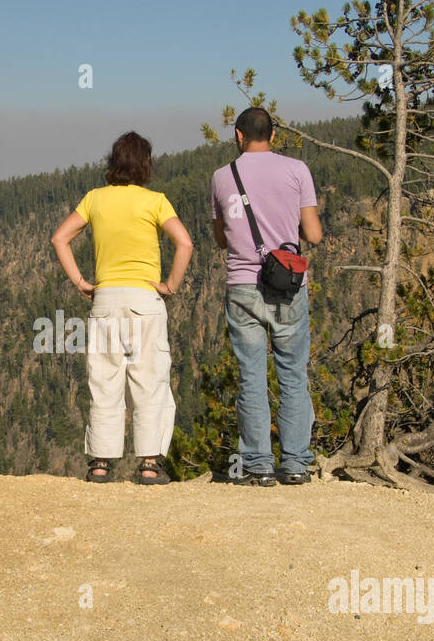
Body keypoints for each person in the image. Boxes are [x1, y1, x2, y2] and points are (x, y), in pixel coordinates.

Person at [51, 131, 193, 484]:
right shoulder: (155, 201)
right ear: (146, 165)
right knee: (150, 381)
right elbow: (185, 242)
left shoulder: (94, 200)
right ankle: (149, 465)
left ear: (112, 163)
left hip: (106, 300)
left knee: (105, 382)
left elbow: (60, 238)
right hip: (145, 300)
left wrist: (82, 282)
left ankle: (100, 464)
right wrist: (170, 285)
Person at [209, 107, 323, 486]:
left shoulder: (222, 177)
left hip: (242, 285)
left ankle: (257, 464)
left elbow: (221, 237)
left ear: (238, 136)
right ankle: (295, 464)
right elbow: (314, 234)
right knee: (293, 375)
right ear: (273, 135)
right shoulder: (297, 170)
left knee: (251, 377)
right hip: (288, 287)